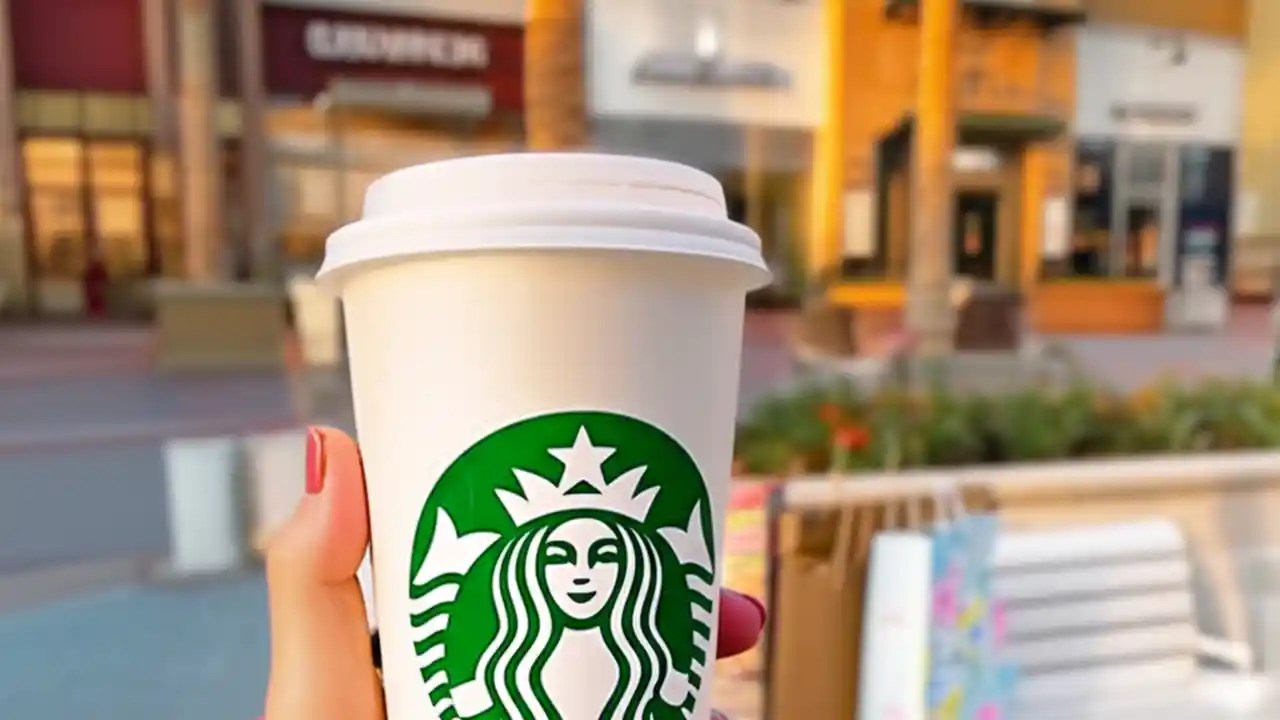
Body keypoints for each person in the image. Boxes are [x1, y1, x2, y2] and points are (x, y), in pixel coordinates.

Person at [262, 427, 766, 720]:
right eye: (559, 557)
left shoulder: (661, 676)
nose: (582, 574)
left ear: (634, 568)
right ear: (527, 569)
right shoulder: (481, 688)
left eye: (605, 556)